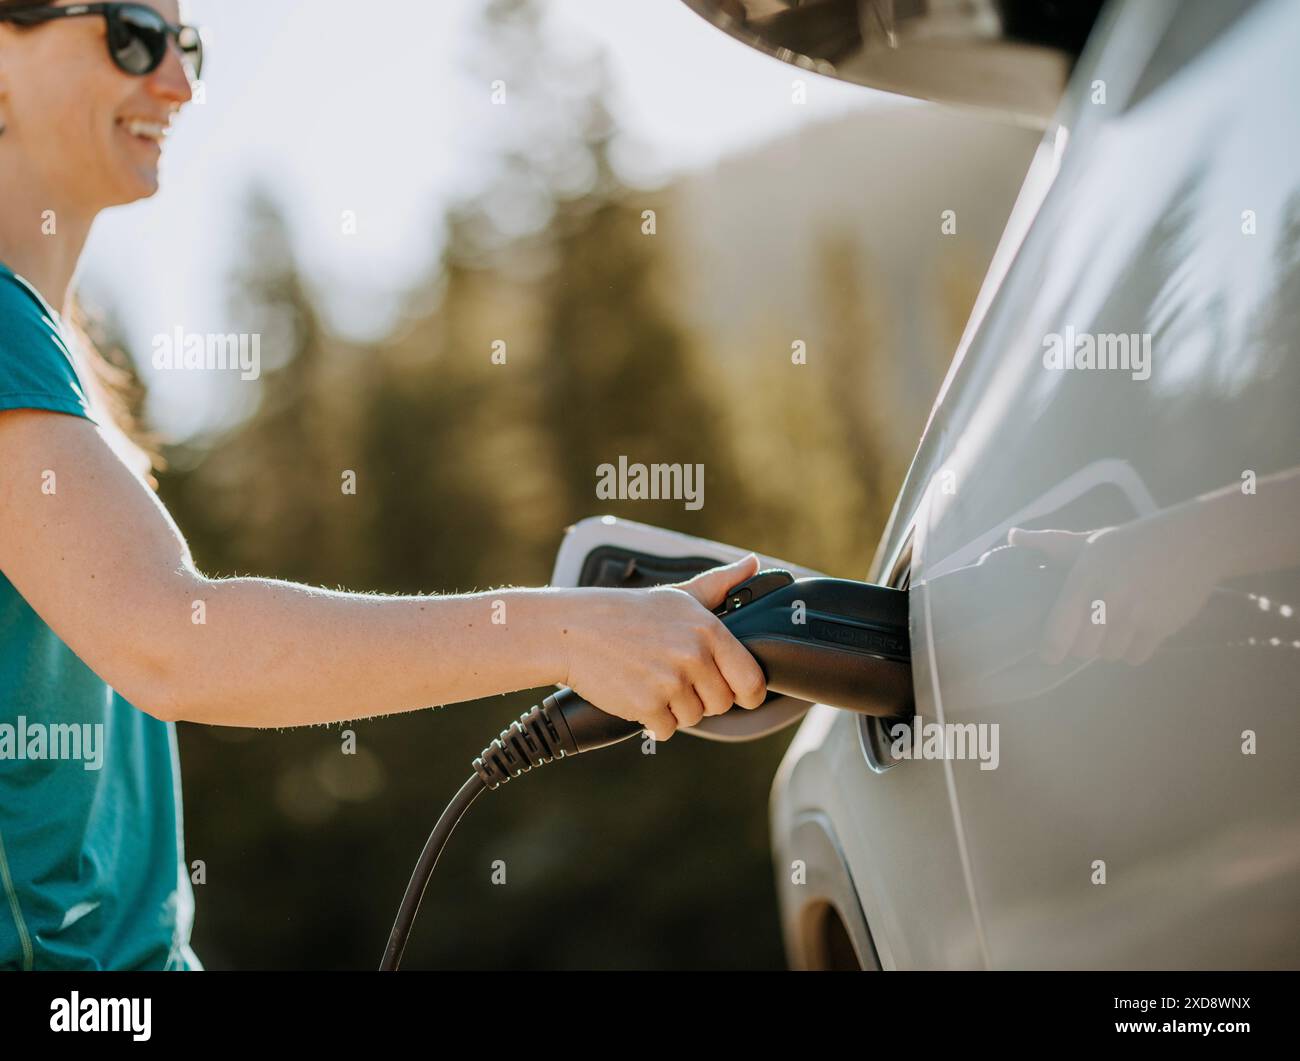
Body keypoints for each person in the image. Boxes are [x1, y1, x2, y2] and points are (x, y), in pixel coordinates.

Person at [0, 0, 767, 971]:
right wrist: (567, 630)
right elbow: (170, 643)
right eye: (133, 34)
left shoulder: (51, 361)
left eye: (188, 45)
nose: (180, 83)